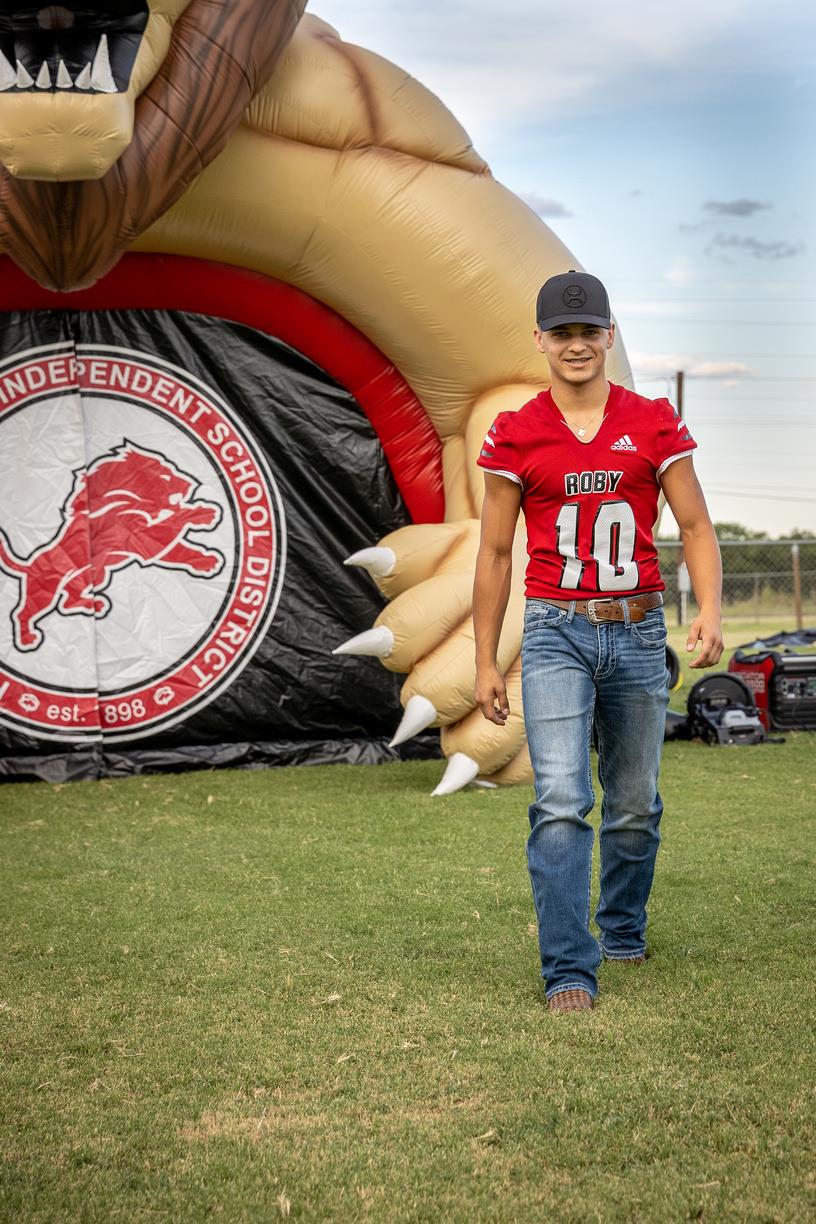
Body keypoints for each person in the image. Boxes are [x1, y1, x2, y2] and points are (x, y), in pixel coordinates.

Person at [473, 270, 723, 1013]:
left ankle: (621, 929)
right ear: (540, 340)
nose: (576, 344)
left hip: (638, 629)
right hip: (555, 630)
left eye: (589, 331)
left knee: (635, 804)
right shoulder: (515, 430)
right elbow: (495, 553)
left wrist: (709, 609)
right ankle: (568, 971)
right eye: (563, 332)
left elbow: (696, 526)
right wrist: (484, 659)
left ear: (610, 336)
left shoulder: (653, 421)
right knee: (560, 799)